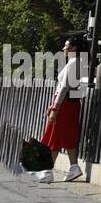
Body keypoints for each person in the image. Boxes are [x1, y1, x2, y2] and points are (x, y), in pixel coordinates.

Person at [34, 35, 88, 184]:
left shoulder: (73, 63)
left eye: (66, 46)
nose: (64, 48)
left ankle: (47, 171)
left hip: (64, 103)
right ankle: (74, 167)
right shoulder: (80, 63)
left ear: (74, 48)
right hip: (72, 103)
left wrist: (55, 108)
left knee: (54, 135)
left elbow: (64, 87)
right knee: (68, 135)